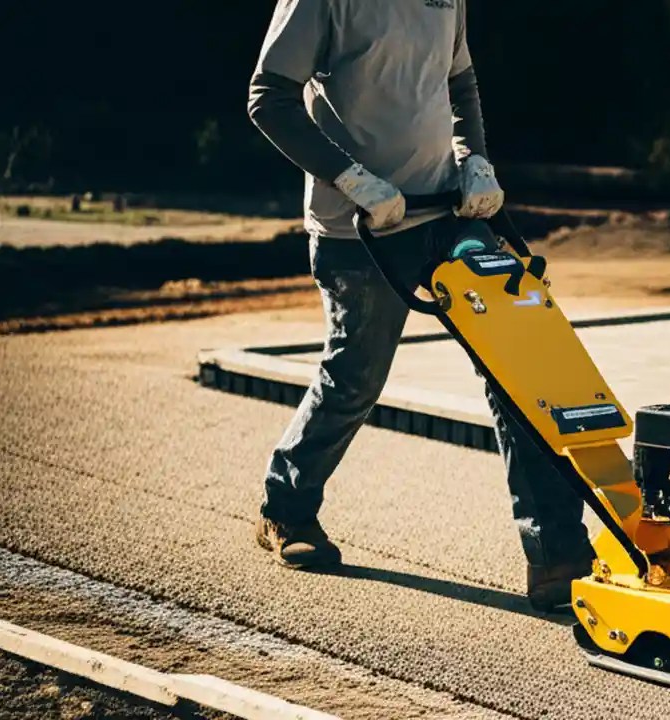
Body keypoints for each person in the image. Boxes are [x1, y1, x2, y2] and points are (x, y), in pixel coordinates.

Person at [245, 0, 594, 612]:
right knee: (355, 377)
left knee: (521, 368)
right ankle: (286, 510)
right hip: (363, 225)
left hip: (446, 214)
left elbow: (459, 80)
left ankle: (559, 556)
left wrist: (474, 157)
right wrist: (352, 180)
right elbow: (268, 98)